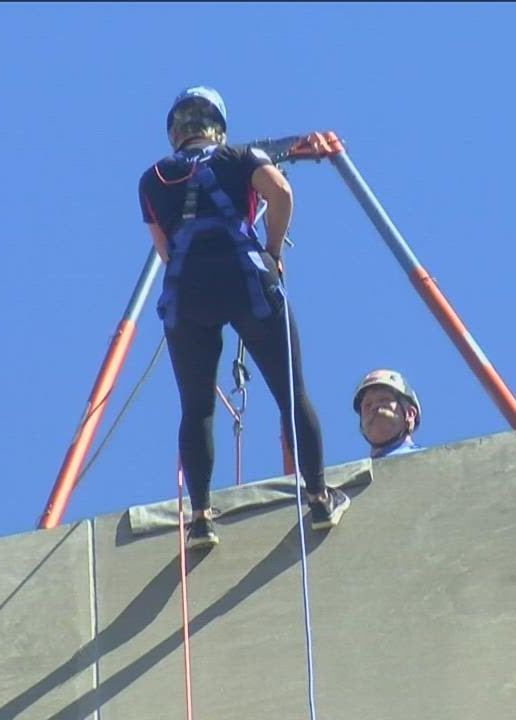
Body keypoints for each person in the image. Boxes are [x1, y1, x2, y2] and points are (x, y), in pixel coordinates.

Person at [138, 86, 350, 550]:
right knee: (290, 393)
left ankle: (199, 519)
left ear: (176, 130)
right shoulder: (241, 155)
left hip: (187, 295)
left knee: (196, 407)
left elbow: (163, 249)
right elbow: (281, 193)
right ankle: (317, 496)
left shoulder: (152, 178)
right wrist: (272, 253)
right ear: (218, 124)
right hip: (245, 282)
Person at [353, 369, 424, 459]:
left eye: (384, 400)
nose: (374, 406)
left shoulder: (433, 460)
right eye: (367, 405)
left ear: (410, 414)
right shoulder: (354, 471)